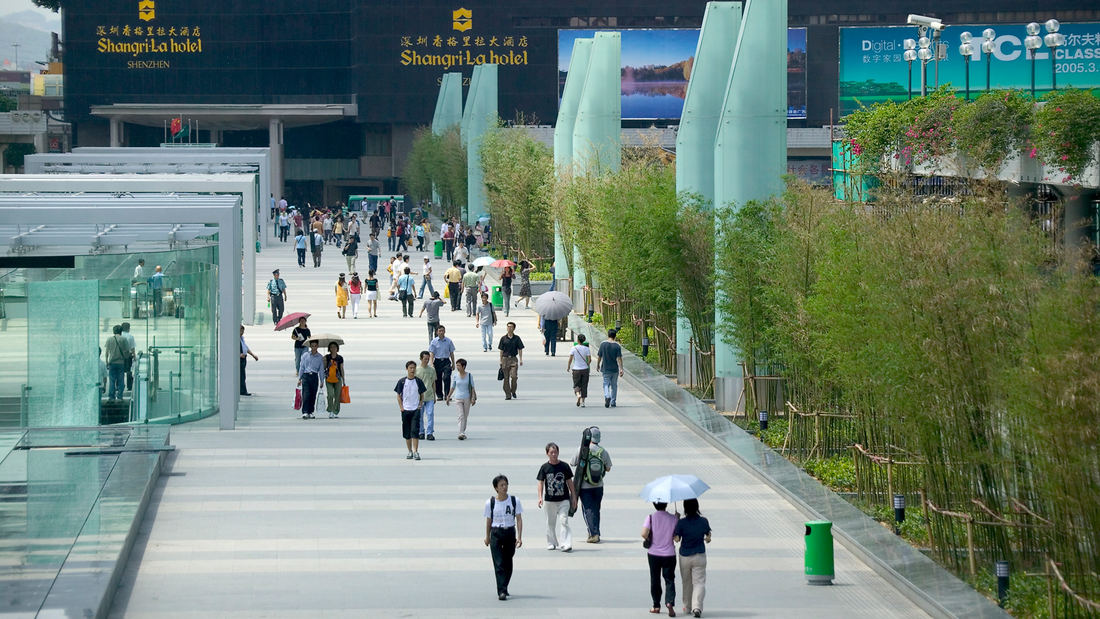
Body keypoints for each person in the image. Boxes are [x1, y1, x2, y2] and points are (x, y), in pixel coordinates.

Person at [483, 475, 523, 601]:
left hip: (510, 532)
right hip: (496, 533)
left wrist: (519, 537)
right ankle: (502, 590)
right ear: (496, 488)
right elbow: (488, 521)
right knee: (499, 562)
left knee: (508, 561)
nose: (504, 487)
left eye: (505, 484)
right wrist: (487, 537)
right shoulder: (490, 502)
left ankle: (504, 585)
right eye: (501, 485)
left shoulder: (514, 500)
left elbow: (519, 519)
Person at [571, 426, 611, 543]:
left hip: (585, 486)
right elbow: (608, 468)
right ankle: (596, 532)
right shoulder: (602, 451)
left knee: (588, 509)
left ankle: (593, 534)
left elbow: (573, 463)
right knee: (596, 509)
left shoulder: (582, 449)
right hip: (599, 486)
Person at [674, 499, 712, 618]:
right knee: (699, 582)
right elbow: (708, 536)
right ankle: (697, 607)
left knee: (686, 582)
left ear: (685, 508)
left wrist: (676, 521)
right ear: (697, 507)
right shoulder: (703, 521)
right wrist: (707, 539)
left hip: (685, 556)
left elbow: (676, 539)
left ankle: (687, 607)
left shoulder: (681, 522)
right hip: (699, 555)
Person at [536, 442, 576, 552]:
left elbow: (569, 482)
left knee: (564, 521)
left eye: (556, 452)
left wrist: (574, 496)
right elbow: (540, 482)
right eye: (551, 452)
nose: (554, 454)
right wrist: (540, 497)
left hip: (563, 500)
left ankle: (565, 543)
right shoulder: (544, 468)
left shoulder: (564, 466)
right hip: (549, 501)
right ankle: (551, 542)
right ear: (547, 454)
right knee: (550, 522)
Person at [643, 502, 679, 616]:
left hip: (653, 554)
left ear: (654, 504)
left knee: (655, 579)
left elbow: (643, 533)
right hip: (669, 554)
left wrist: (650, 537)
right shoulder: (673, 518)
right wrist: (677, 518)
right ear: (666, 504)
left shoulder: (650, 517)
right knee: (669, 579)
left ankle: (656, 606)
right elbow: (677, 537)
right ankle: (669, 602)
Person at [394, 360, 426, 460]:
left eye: (414, 368)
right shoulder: (402, 382)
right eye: (410, 368)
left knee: (415, 431)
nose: (412, 370)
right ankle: (409, 451)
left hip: (415, 409)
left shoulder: (418, 381)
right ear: (407, 369)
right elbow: (398, 395)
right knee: (407, 432)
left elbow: (422, 394)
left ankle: (416, 451)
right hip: (406, 410)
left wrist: (420, 404)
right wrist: (401, 407)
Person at [445, 358, 476, 439]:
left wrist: (473, 398)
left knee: (465, 416)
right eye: (457, 365)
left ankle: (463, 431)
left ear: (463, 366)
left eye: (458, 365)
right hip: (458, 398)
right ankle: (461, 432)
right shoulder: (455, 375)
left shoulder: (469, 375)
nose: (457, 367)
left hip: (467, 398)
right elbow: (453, 386)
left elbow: (472, 387)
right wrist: (448, 396)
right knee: (461, 415)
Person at [597, 329, 625, 408]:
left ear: (608, 335)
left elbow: (599, 356)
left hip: (605, 368)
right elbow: (619, 358)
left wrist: (598, 364)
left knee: (606, 384)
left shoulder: (603, 344)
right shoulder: (617, 346)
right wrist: (621, 369)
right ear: (615, 336)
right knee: (614, 386)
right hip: (614, 369)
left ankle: (607, 395)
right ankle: (613, 401)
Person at [297, 339, 324, 419]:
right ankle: (305, 411)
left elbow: (321, 370)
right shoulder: (305, 355)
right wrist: (299, 378)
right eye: (312, 346)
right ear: (310, 346)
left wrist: (322, 380)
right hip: (306, 376)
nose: (314, 347)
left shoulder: (320, 357)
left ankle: (310, 411)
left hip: (314, 376)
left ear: (317, 346)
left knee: (313, 395)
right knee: (306, 394)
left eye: (315, 346)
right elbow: (302, 367)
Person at [429, 324, 456, 401]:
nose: (441, 332)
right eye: (440, 331)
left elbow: (451, 353)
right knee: (438, 379)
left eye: (443, 331)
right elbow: (432, 353)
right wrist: (431, 363)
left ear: (445, 331)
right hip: (437, 361)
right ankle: (440, 395)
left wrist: (453, 363)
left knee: (446, 377)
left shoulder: (448, 341)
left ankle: (447, 395)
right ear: (437, 332)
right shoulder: (434, 342)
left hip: (446, 361)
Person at [497, 322, 524, 400]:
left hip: (513, 359)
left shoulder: (517, 338)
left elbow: (520, 349)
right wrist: (500, 360)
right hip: (505, 359)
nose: (509, 328)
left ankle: (513, 390)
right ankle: (508, 395)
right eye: (508, 327)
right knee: (506, 378)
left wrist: (521, 359)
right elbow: (501, 350)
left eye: (511, 327)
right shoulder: (503, 338)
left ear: (514, 328)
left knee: (514, 376)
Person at [416, 351, 438, 441]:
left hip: (429, 396)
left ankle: (430, 433)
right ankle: (421, 432)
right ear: (421, 359)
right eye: (425, 359)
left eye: (428, 359)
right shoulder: (416, 370)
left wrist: (434, 394)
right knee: (420, 415)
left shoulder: (432, 370)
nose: (426, 360)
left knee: (430, 414)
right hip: (419, 397)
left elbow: (433, 383)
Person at [104, 325, 130, 401]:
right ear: (121, 331)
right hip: (121, 363)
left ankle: (111, 396)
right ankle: (120, 396)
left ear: (113, 331)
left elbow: (107, 352)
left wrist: (107, 361)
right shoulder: (124, 339)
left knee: (112, 380)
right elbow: (126, 351)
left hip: (112, 362)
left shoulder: (109, 339)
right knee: (121, 379)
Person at [567, 334, 591, 407]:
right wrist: (587, 364)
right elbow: (589, 360)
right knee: (584, 385)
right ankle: (583, 402)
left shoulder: (574, 348)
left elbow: (570, 359)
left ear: (577, 340)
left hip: (576, 369)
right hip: (585, 369)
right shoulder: (586, 349)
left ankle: (578, 395)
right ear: (584, 340)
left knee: (576, 385)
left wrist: (568, 367)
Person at [323, 342, 344, 418]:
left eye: (335, 347)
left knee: (337, 395)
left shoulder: (340, 358)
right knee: (330, 394)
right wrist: (324, 361)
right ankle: (330, 409)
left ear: (337, 348)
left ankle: (335, 411)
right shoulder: (327, 357)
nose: (333, 348)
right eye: (331, 347)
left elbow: (341, 368)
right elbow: (324, 368)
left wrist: (343, 379)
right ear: (329, 348)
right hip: (328, 378)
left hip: (338, 378)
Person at [239, 325, 260, 396]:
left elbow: (246, 348)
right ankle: (242, 391)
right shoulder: (235, 339)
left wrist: (253, 355)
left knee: (243, 375)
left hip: (244, 358)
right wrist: (239, 355)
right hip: (240, 359)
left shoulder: (241, 339)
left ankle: (242, 390)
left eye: (243, 331)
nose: (242, 332)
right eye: (241, 331)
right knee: (241, 376)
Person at [120, 322, 136, 391]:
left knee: (120, 371)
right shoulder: (130, 336)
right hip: (128, 356)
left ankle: (120, 385)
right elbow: (132, 348)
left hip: (120, 355)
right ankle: (129, 386)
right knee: (129, 371)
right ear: (128, 328)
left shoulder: (119, 336)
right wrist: (134, 356)